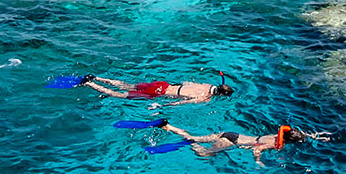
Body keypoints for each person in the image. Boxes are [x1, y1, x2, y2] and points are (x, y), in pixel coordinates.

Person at [156, 120, 319, 164]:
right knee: (205, 154)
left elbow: (297, 133)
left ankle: (171, 127)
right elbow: (257, 150)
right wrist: (258, 162)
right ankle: (186, 140)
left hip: (231, 133)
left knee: (196, 137)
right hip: (231, 142)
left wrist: (317, 136)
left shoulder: (279, 135)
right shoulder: (276, 144)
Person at [80, 74, 234, 105]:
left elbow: (186, 82)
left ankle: (96, 78)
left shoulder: (206, 84)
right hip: (160, 93)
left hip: (163, 84)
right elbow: (179, 104)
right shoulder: (205, 97)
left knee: (128, 85)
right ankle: (89, 84)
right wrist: (166, 105)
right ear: (220, 95)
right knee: (120, 95)